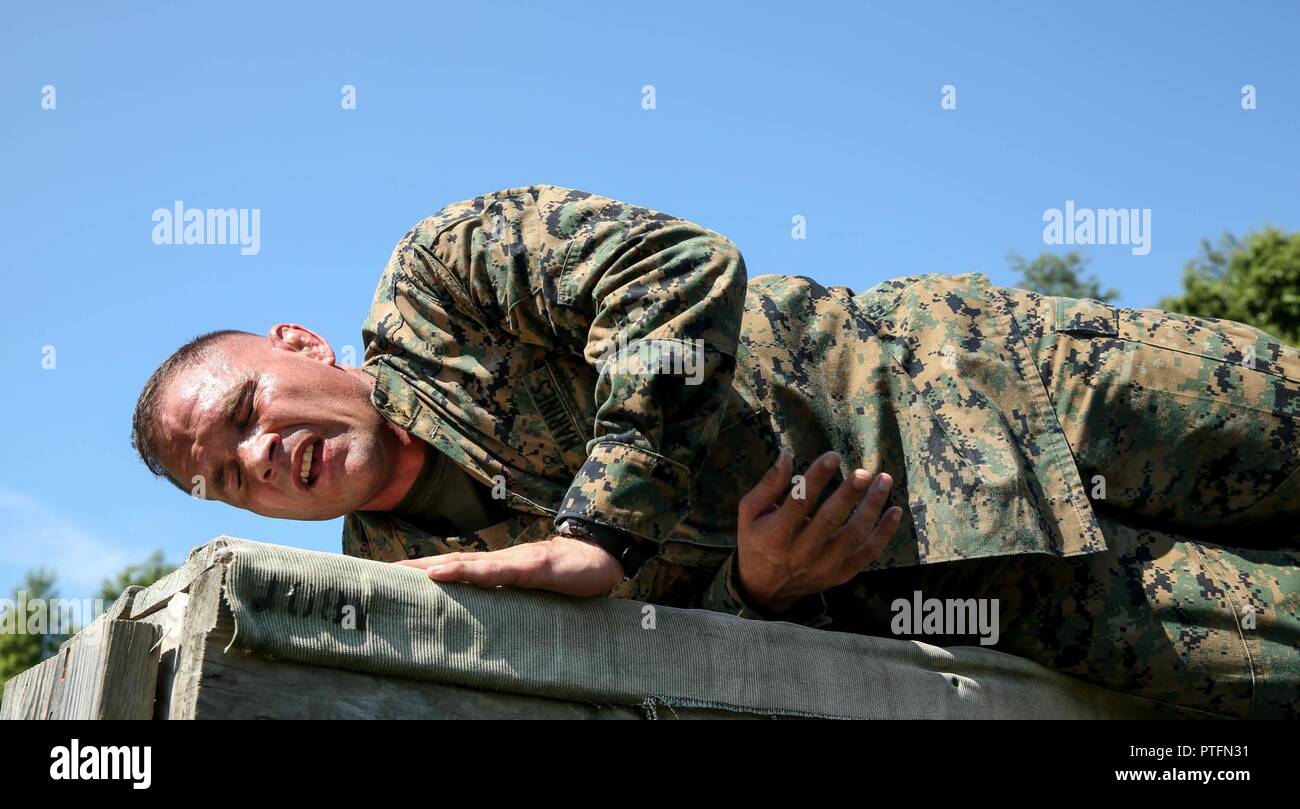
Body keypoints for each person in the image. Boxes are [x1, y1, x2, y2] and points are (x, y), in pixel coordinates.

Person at [131, 184, 1299, 717]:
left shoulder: (444, 279)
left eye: (247, 410)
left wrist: (598, 532)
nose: (265, 450)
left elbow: (677, 272)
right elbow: (655, 690)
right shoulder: (401, 589)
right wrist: (758, 587)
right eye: (230, 472)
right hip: (980, 590)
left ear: (295, 342)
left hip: (1004, 389)